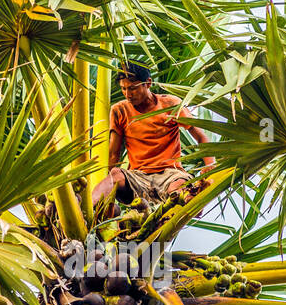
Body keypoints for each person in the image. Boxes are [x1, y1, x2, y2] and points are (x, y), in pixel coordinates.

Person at [91, 62, 212, 210]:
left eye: (133, 88)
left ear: (148, 83)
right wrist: (108, 190)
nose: (128, 94)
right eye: (124, 88)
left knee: (181, 189)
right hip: (137, 177)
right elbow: (113, 153)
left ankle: (189, 203)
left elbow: (201, 136)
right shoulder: (119, 110)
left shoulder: (170, 104)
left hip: (170, 174)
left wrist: (210, 165)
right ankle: (87, 208)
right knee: (115, 175)